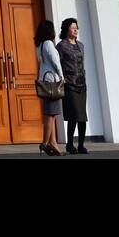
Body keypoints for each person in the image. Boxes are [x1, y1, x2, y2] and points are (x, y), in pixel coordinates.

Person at [56, 18, 88, 154]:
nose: (76, 30)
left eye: (77, 27)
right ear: (66, 29)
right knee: (74, 115)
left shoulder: (81, 45)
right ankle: (70, 144)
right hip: (70, 84)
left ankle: (81, 145)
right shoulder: (61, 46)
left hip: (82, 84)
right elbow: (57, 64)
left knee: (82, 116)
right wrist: (62, 78)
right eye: (73, 27)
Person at [34, 18, 64, 155]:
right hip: (53, 82)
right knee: (51, 115)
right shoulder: (48, 44)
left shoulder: (39, 45)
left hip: (45, 83)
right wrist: (62, 77)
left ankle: (53, 143)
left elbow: (42, 63)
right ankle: (45, 143)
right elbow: (56, 62)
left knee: (50, 114)